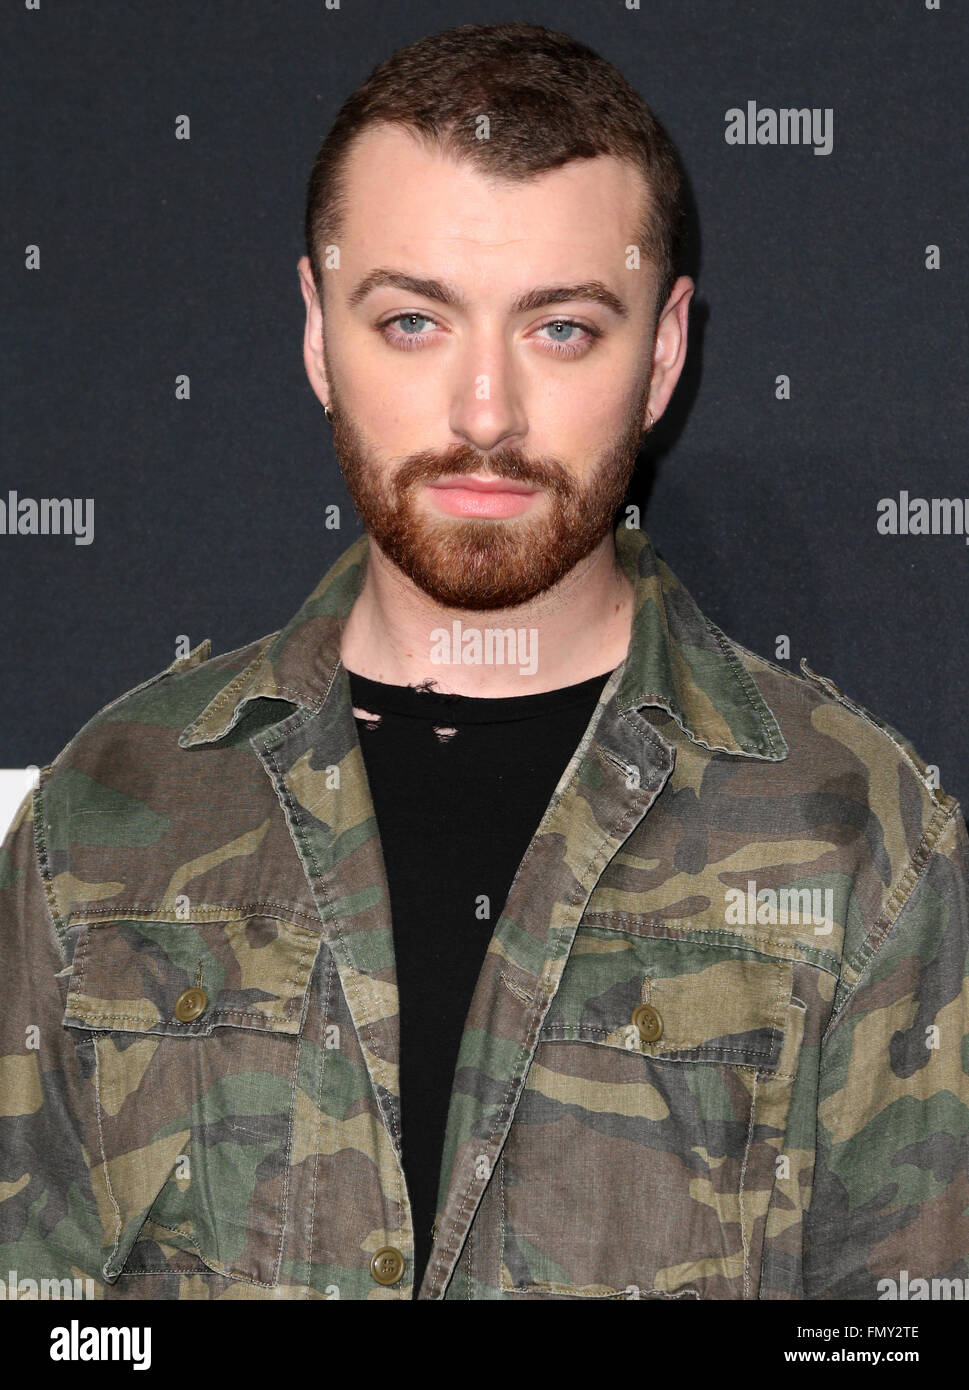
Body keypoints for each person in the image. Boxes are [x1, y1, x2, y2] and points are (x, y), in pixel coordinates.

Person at [1, 22, 966, 1302]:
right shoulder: (105, 819)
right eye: (411, 320)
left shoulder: (863, 841)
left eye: (561, 330)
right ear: (315, 331)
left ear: (663, 353)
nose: (484, 413)